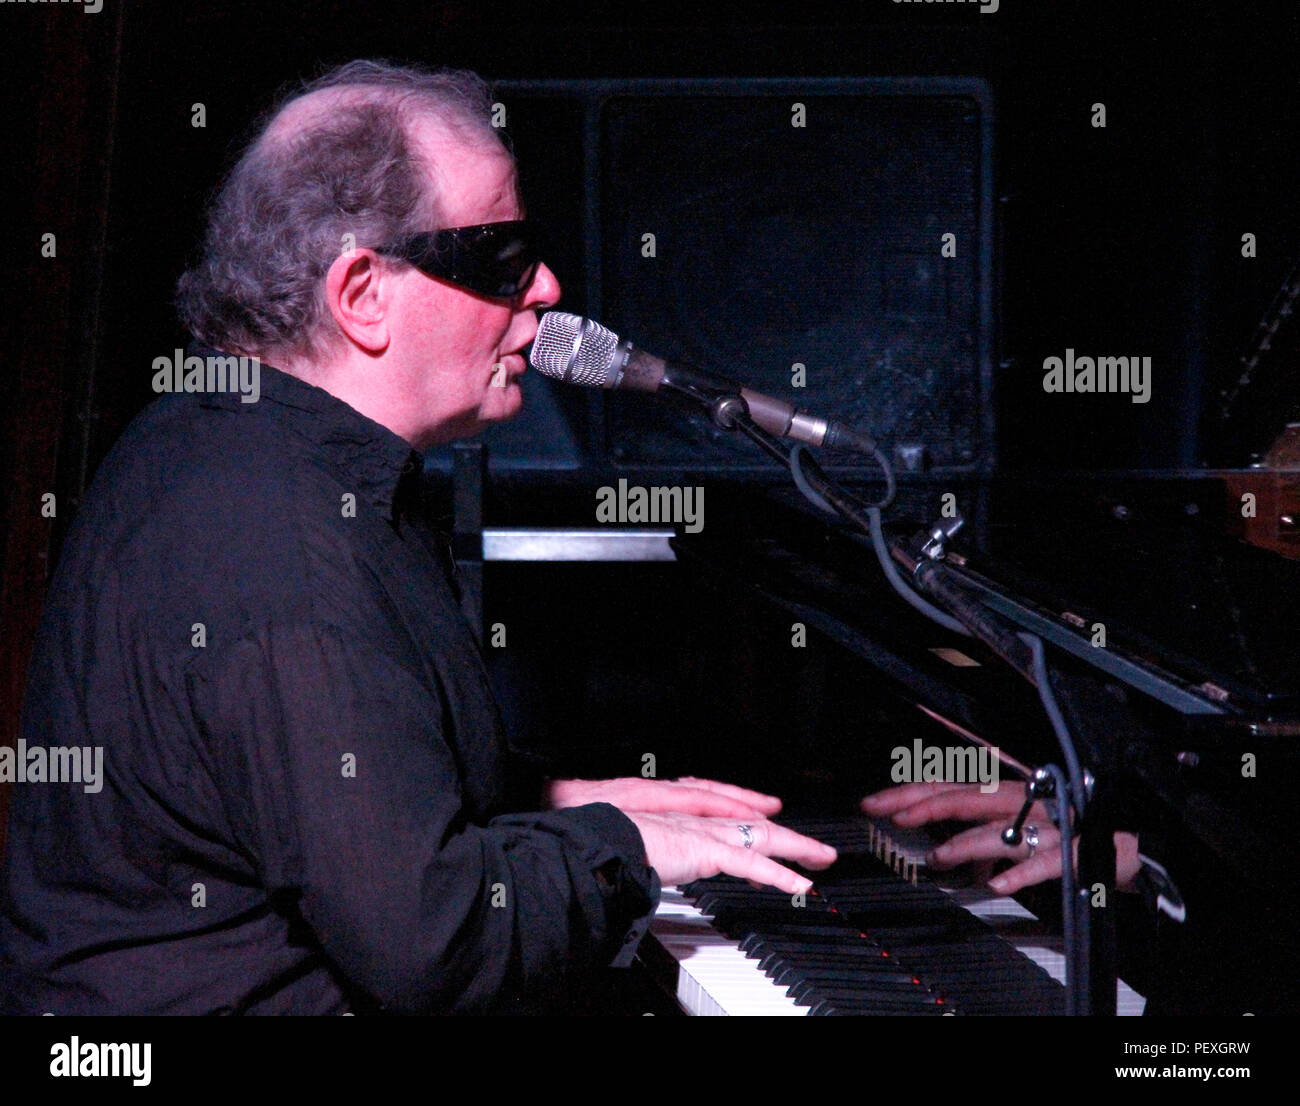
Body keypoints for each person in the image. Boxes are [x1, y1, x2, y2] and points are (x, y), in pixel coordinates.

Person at [0, 60, 834, 1015]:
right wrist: (623, 847)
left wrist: (556, 804)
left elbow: (335, 785)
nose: (549, 286)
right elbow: (436, 943)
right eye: (502, 256)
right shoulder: (282, 540)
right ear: (362, 293)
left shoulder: (221, 437)